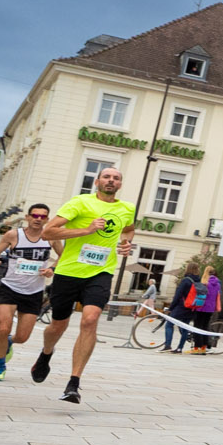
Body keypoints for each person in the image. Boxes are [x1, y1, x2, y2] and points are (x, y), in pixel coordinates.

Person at [32, 166, 136, 405]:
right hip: (69, 272)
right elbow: (48, 233)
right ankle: (46, 353)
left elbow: (128, 229)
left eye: (116, 178)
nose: (111, 180)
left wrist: (126, 244)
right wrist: (86, 230)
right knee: (58, 326)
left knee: (90, 318)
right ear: (97, 181)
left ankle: (73, 383)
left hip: (101, 271)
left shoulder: (126, 208)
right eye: (107, 177)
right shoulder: (79, 203)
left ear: (120, 184)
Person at [0, 206, 57, 380]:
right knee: (3, 328)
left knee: (22, 337)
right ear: (27, 217)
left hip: (34, 292)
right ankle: (0, 367)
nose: (38, 219)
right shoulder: (13, 235)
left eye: (42, 217)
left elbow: (65, 256)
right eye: (35, 215)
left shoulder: (50, 237)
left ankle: (9, 342)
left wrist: (52, 268)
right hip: (10, 287)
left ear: (47, 219)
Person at [166, 262, 200, 351]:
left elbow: (178, 295)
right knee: (185, 328)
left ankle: (167, 345)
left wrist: (171, 308)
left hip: (182, 307)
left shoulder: (186, 280)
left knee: (169, 324)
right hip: (192, 307)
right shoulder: (198, 281)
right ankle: (180, 348)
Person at [188, 268, 222, 352]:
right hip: (211, 308)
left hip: (201, 307)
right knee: (205, 327)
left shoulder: (205, 283)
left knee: (197, 327)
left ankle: (197, 347)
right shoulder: (217, 284)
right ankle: (204, 347)